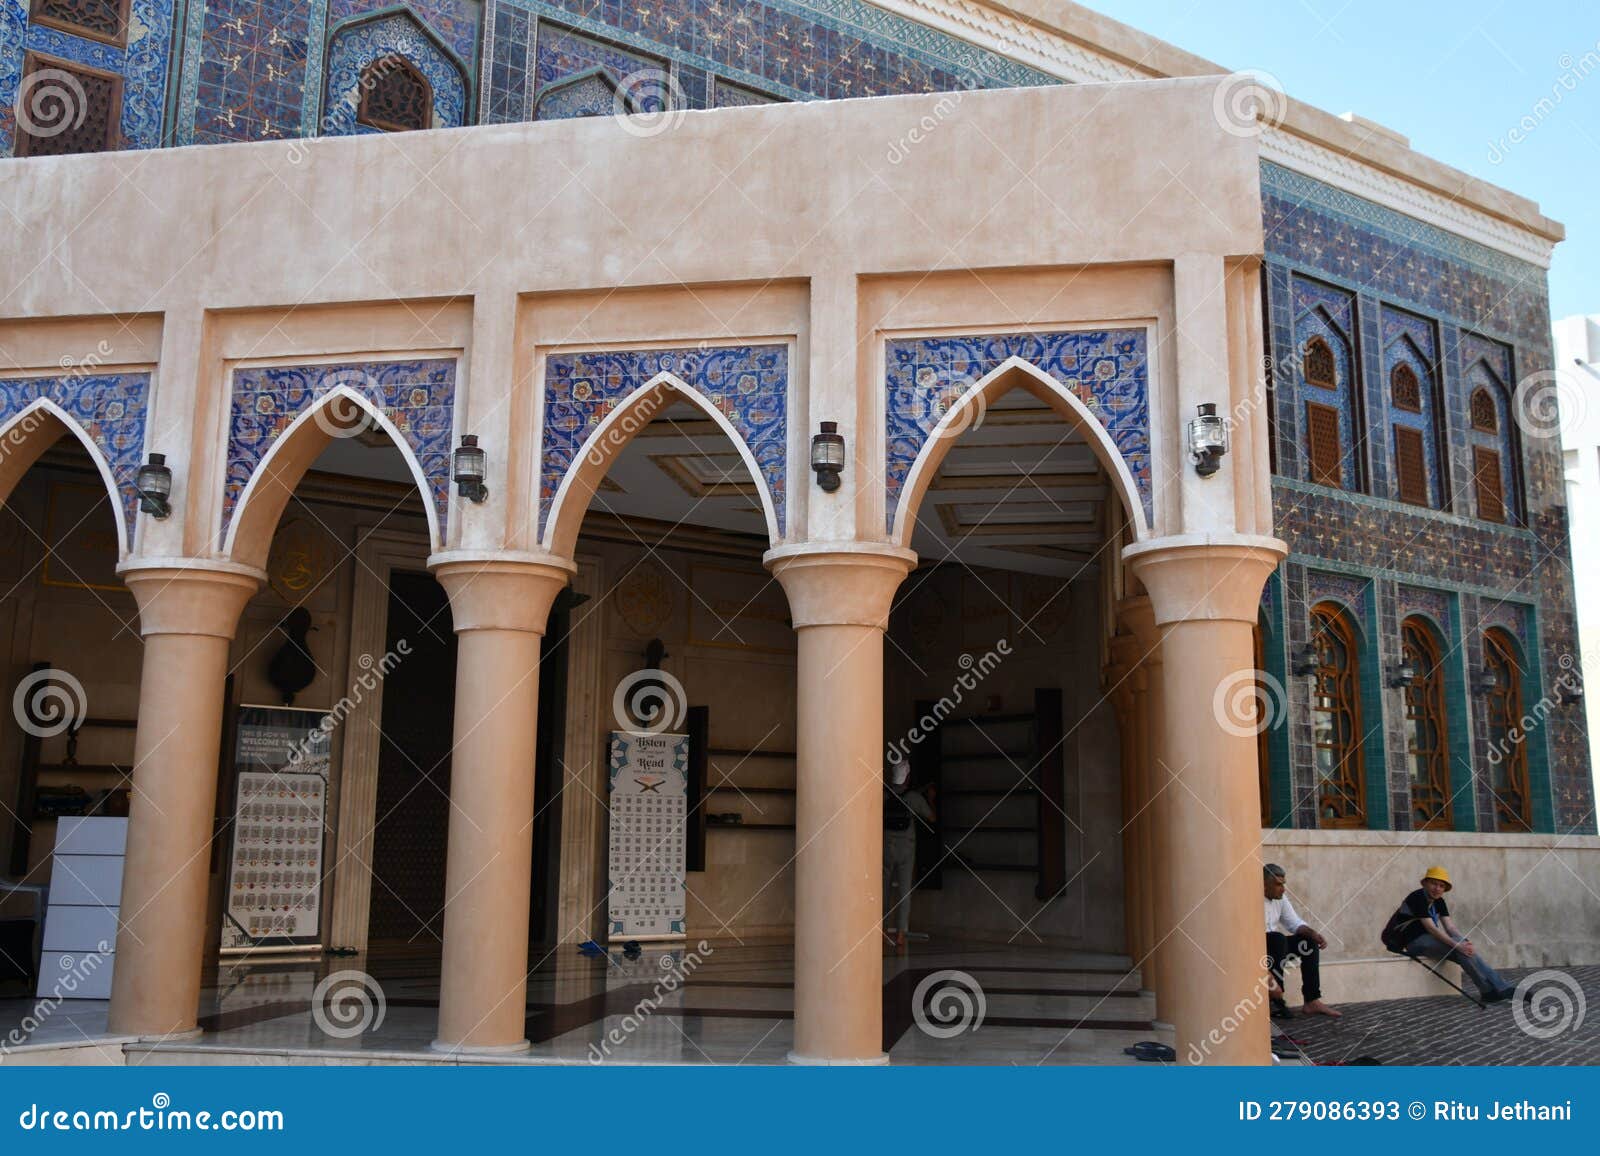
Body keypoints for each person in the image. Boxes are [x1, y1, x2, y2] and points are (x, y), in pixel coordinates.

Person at [1382, 866, 1516, 1002]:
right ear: (1425, 883)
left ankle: (1488, 992)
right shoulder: (1417, 897)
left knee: (1464, 951)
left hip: (1430, 940)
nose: (1437, 888)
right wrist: (1458, 945)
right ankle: (1498, 988)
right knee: (1460, 949)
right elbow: (1432, 929)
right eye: (1434, 883)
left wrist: (1464, 941)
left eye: (1441, 886)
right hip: (1414, 942)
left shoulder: (1438, 901)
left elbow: (1450, 927)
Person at [1263, 863, 1341, 1018]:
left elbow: (1294, 923)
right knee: (1277, 939)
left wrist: (1313, 933)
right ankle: (1275, 1001)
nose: (1283, 889)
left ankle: (1312, 1000)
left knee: (1308, 942)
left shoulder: (1280, 898)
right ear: (1264, 885)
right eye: (1278, 885)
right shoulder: (1250, 901)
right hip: (1260, 950)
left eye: (1283, 884)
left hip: (1276, 948)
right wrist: (1269, 979)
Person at [883, 762, 935, 952]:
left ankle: (882, 930)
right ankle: (901, 935)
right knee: (904, 892)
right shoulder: (913, 797)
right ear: (907, 777)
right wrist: (930, 799)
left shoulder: (884, 795)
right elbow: (931, 818)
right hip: (907, 850)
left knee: (884, 890)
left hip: (886, 848)